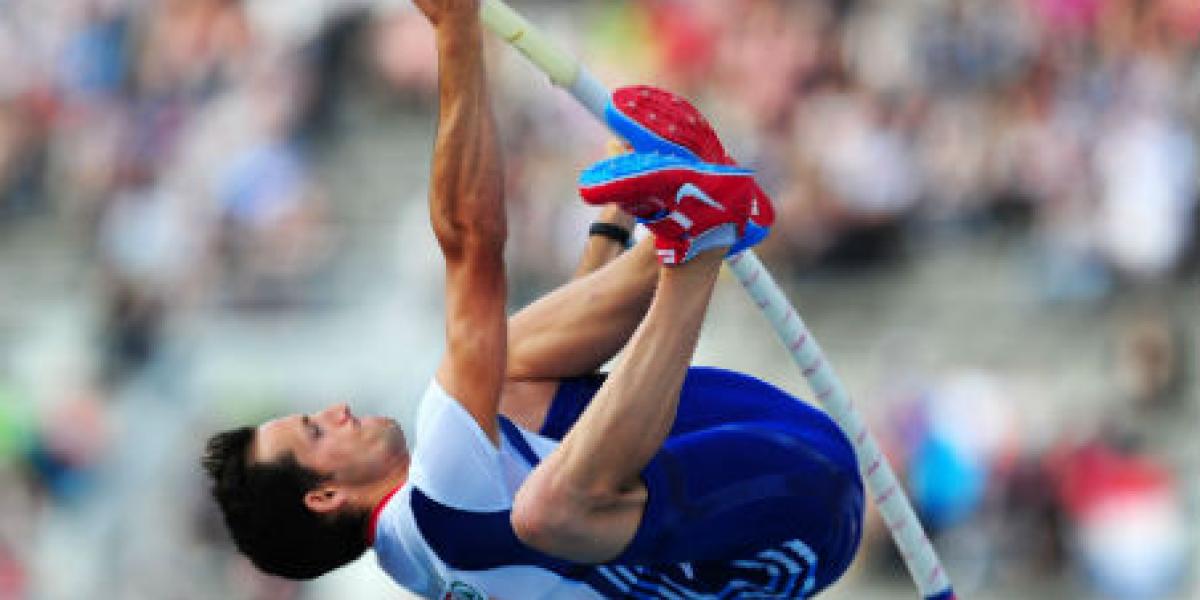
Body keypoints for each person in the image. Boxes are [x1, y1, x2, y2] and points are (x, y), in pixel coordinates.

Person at [201, 0, 863, 597]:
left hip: (758, 470)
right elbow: (471, 239)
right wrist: (455, 33)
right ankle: (696, 244)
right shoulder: (440, 498)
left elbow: (561, 390)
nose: (337, 409)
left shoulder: (416, 555)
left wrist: (611, 224)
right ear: (325, 496)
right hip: (789, 525)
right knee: (538, 499)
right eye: (316, 430)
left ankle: (670, 225)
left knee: (500, 387)